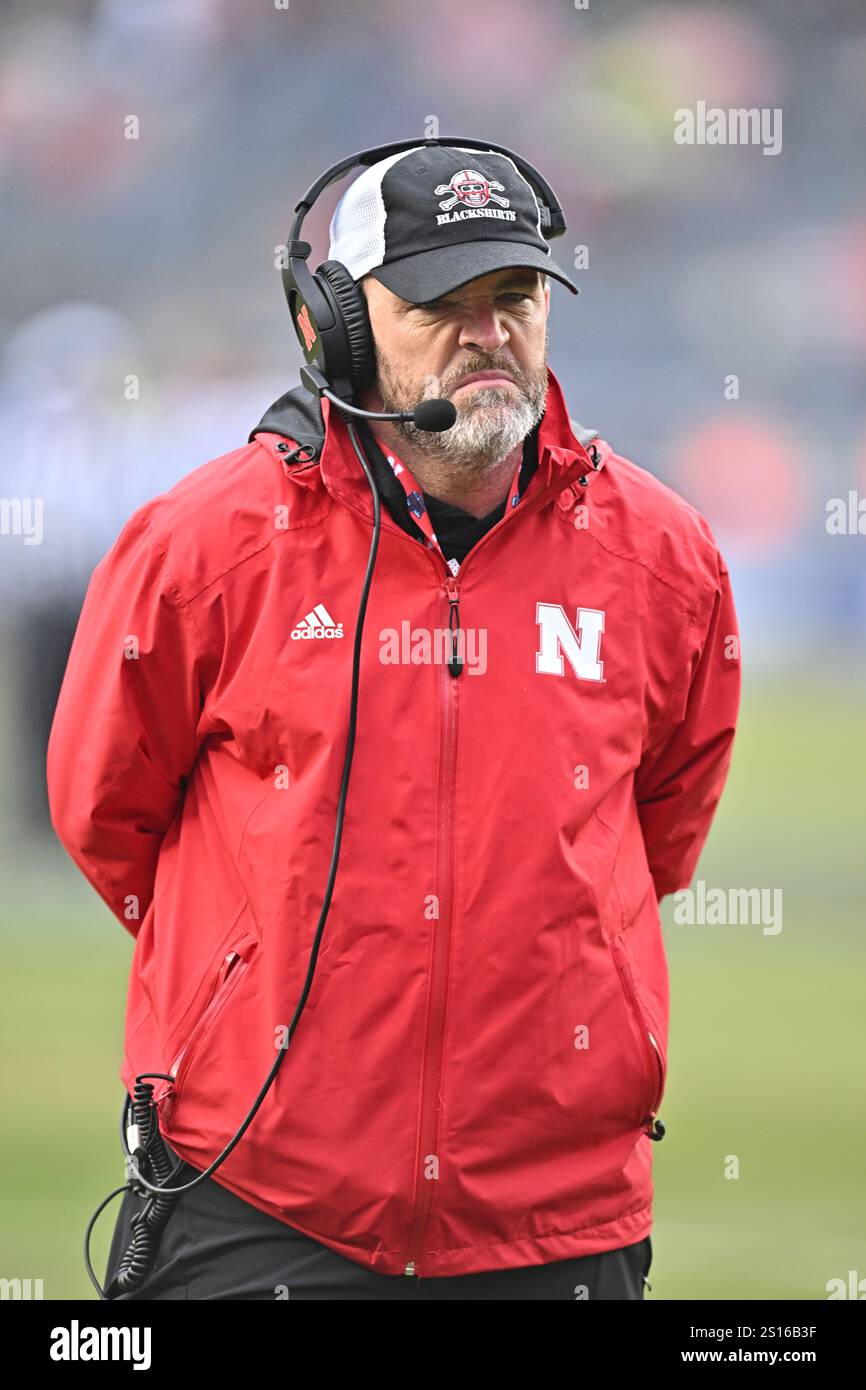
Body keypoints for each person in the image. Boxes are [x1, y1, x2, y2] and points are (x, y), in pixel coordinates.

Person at [46, 140, 740, 1300]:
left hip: (555, 1211)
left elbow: (662, 827)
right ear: (335, 327)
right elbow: (105, 815)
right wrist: (240, 979)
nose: (489, 332)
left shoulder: (661, 555)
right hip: (258, 1187)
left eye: (513, 297)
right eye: (441, 302)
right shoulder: (205, 544)